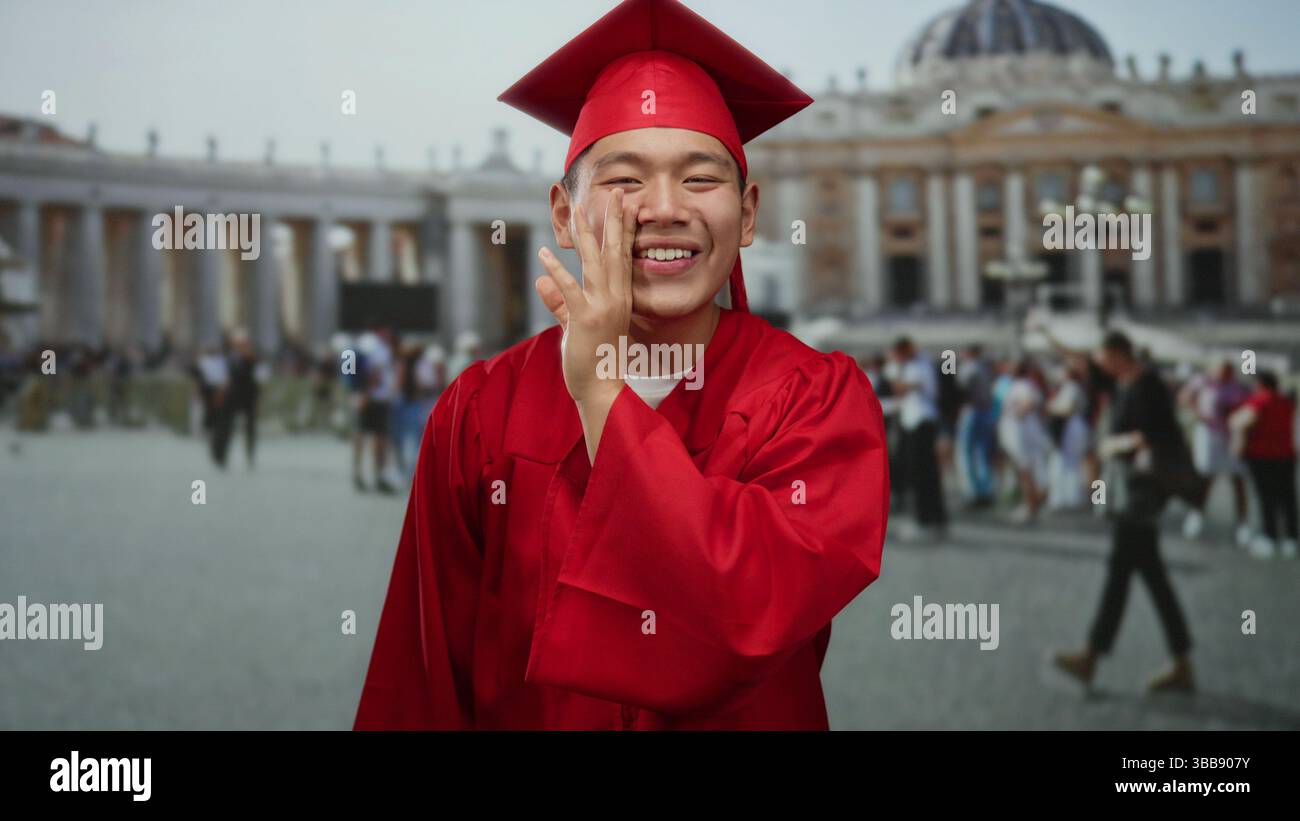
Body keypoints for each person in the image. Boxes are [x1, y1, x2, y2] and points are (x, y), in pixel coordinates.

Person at [355, 0, 888, 730]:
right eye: (624, 180)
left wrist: (603, 394)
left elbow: (741, 614)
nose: (663, 208)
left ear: (751, 212)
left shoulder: (815, 400)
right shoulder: (480, 411)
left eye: (701, 178)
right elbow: (421, 684)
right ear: (565, 216)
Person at [1055, 331, 1207, 694]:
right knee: (1148, 577)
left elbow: (1154, 435)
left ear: (1120, 354)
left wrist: (1112, 444)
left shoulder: (1148, 385)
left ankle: (1092, 656)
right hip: (1132, 491)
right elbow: (1080, 361)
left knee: (1124, 573)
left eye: (1103, 357)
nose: (1098, 364)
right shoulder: (1124, 383)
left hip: (1142, 492)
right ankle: (1180, 661)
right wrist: (1047, 331)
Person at [1179, 361, 1251, 548]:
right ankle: (1197, 514)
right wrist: (1199, 413)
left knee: (1238, 479)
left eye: (1227, 372)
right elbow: (1185, 397)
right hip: (1211, 435)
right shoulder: (1203, 383)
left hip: (1232, 437)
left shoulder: (1239, 386)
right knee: (1206, 478)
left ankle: (1242, 524)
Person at [1229, 371, 1298, 559]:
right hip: (1286, 455)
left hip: (1263, 456)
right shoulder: (1286, 402)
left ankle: (1270, 536)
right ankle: (1292, 538)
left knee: (1267, 498)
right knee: (1287, 498)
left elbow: (1239, 422)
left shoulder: (1259, 401)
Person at [891, 336, 947, 538]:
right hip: (920, 421)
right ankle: (935, 519)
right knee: (927, 474)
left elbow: (901, 388)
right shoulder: (920, 363)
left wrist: (896, 370)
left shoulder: (916, 365)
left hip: (920, 422)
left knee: (921, 474)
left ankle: (924, 520)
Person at [211, 329, 260, 469]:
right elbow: (225, 376)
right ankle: (221, 456)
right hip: (232, 396)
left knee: (250, 427)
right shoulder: (229, 357)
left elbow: (251, 367)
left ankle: (250, 456)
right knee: (226, 426)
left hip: (248, 396)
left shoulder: (249, 356)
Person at [956, 344, 997, 508]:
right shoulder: (985, 368)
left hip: (972, 411)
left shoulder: (969, 368)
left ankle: (972, 492)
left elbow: (960, 387)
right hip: (985, 411)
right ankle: (985, 490)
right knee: (981, 453)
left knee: (965, 453)